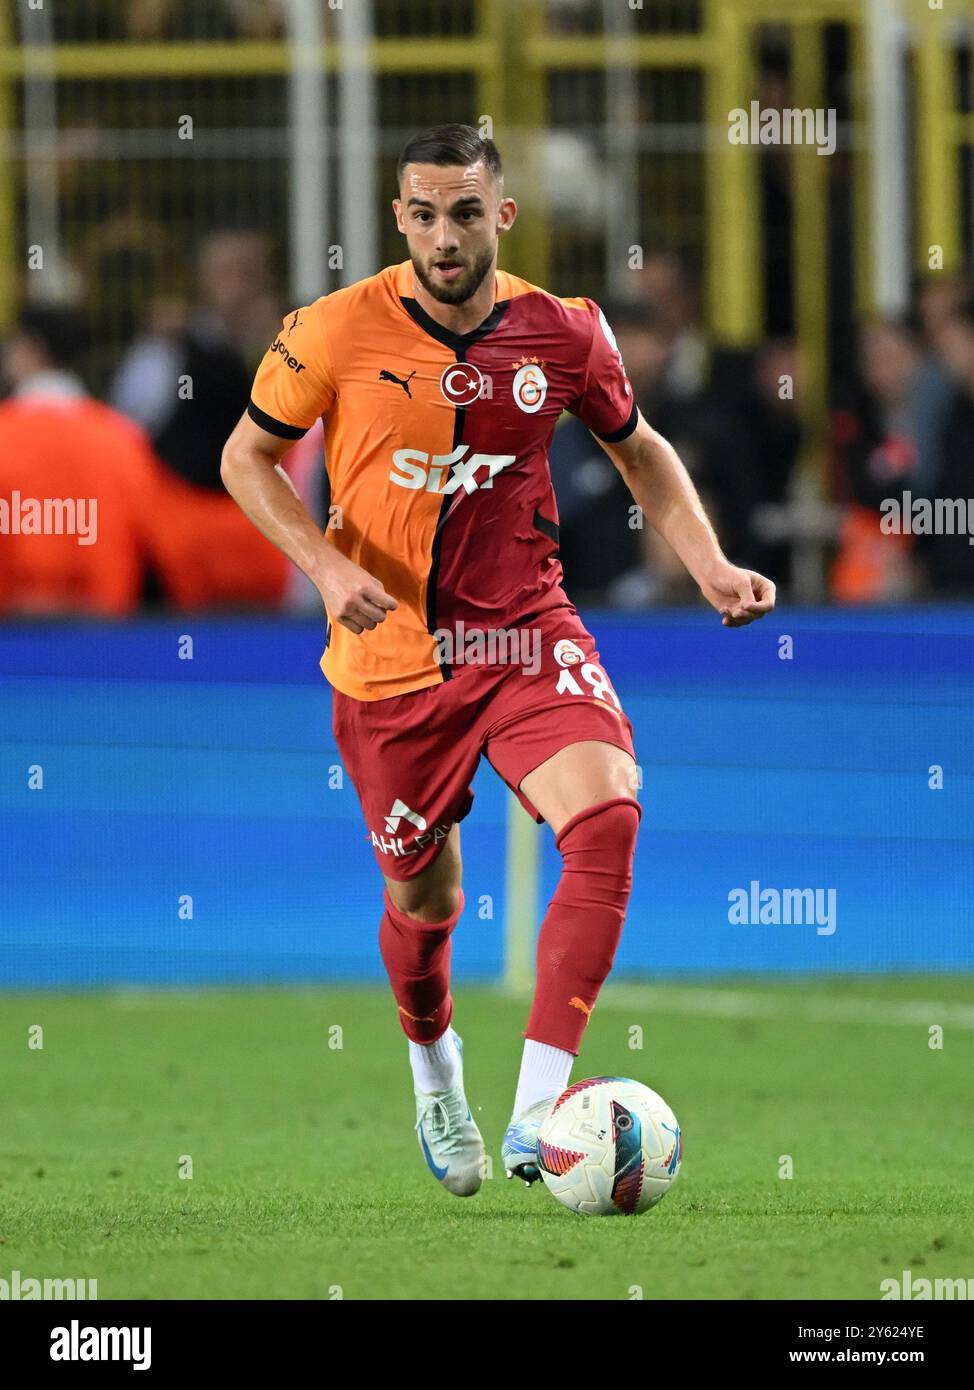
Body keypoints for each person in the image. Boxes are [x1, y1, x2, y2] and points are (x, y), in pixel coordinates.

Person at [221, 124, 775, 1197]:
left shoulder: (564, 333)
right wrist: (328, 571)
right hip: (389, 662)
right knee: (423, 905)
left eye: (464, 212)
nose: (443, 234)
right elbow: (246, 458)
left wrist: (703, 560)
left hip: (524, 632)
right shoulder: (331, 332)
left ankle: (537, 1113)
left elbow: (639, 448)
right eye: (422, 213)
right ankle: (435, 1070)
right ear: (397, 220)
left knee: (607, 812)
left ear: (501, 216)